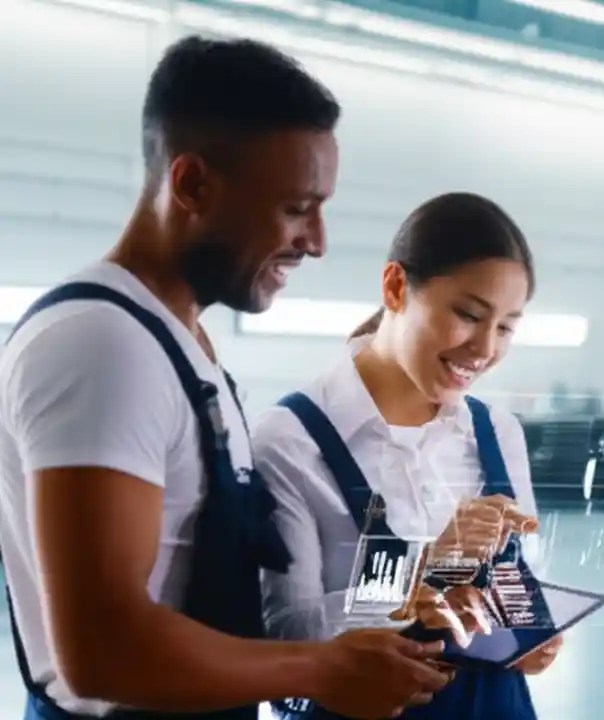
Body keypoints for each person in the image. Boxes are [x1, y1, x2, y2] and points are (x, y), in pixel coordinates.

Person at [0, 36, 454, 720]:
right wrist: (322, 667)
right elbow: (101, 651)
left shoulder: (182, 344)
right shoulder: (103, 346)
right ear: (191, 185)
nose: (317, 240)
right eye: (297, 207)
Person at [253, 192, 562, 719]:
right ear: (396, 288)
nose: (485, 349)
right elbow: (288, 634)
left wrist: (529, 626)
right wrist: (421, 572)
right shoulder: (290, 441)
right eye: (468, 314)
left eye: (506, 327)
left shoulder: (498, 432)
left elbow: (514, 573)